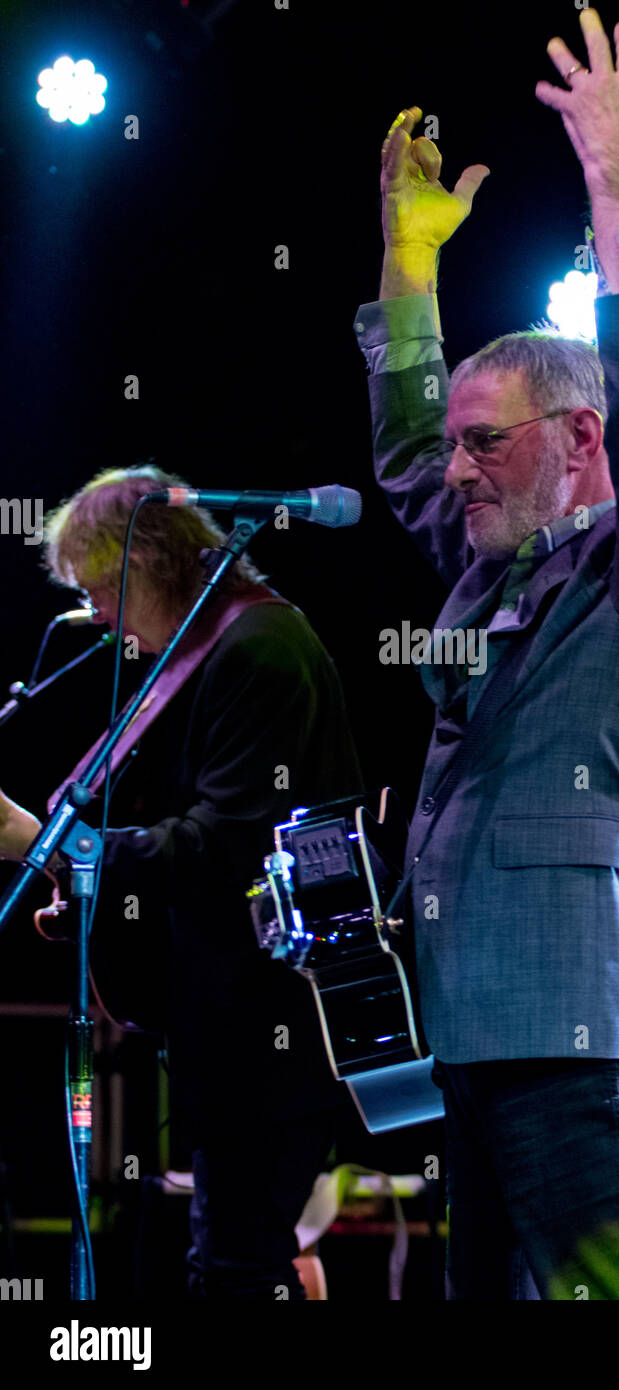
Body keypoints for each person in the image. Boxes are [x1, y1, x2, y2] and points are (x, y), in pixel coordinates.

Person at [353, 8, 619, 1300]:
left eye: (489, 441)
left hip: (597, 1069)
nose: (453, 469)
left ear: (578, 438)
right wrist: (407, 272)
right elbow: (410, 460)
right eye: (458, 442)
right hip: (475, 1056)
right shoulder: (494, 568)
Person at [0, 464, 364, 1298]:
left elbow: (219, 851)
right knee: (220, 1263)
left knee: (237, 1271)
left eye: (97, 590)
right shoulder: (213, 652)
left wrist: (38, 841)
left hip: (271, 1038)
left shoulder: (262, 648)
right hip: (224, 1035)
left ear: (146, 566)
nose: (92, 615)